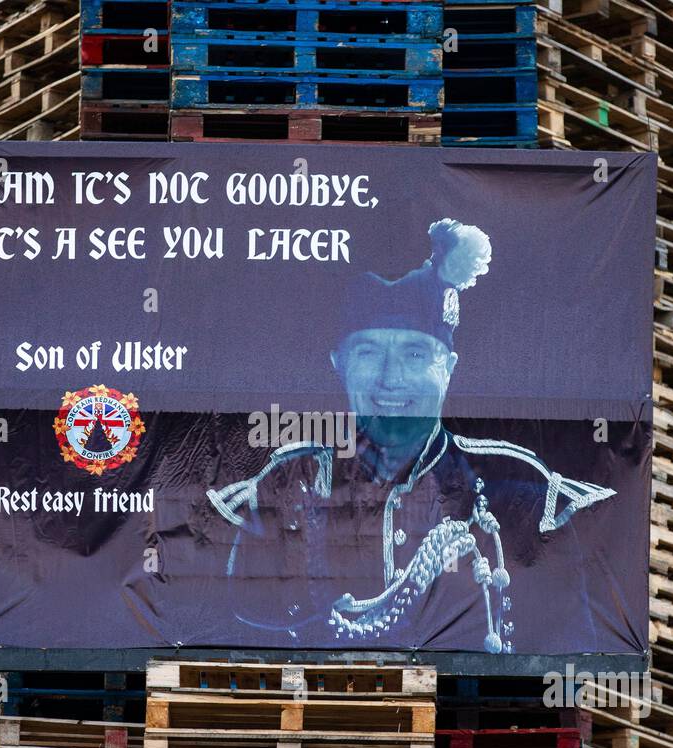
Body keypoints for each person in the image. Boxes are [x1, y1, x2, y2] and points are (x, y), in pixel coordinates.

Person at [206, 219, 615, 653]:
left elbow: (570, 652)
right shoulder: (286, 482)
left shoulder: (521, 487)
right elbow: (233, 640)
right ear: (339, 364)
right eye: (368, 352)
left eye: (415, 354)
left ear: (449, 368)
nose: (390, 378)